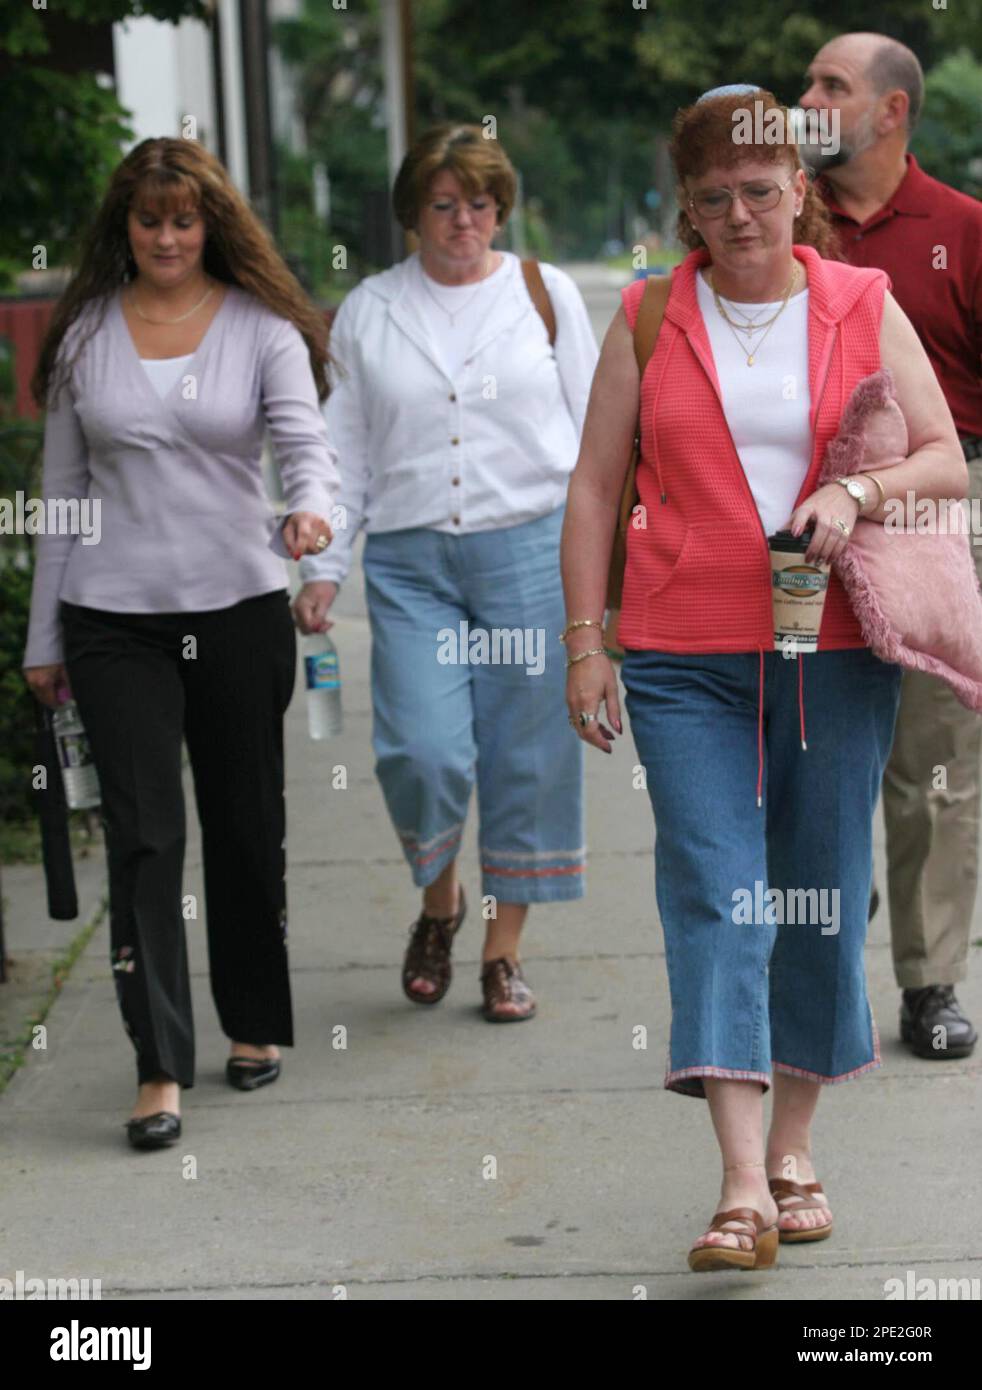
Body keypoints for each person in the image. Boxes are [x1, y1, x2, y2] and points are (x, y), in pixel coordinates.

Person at [560, 87, 967, 1270]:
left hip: (833, 651)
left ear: (800, 191)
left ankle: (795, 1146)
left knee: (819, 897)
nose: (737, 216)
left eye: (758, 191)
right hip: (685, 654)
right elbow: (594, 486)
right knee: (711, 890)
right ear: (684, 208)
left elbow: (945, 456)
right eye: (711, 199)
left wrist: (856, 492)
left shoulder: (859, 300)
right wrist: (587, 640)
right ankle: (740, 1184)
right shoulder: (647, 315)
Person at [23, 138, 340, 1149]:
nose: (167, 236)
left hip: (239, 609)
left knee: (245, 826)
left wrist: (313, 517)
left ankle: (252, 1021)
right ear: (126, 226)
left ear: (212, 226)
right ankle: (157, 1061)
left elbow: (305, 450)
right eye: (149, 219)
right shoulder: (83, 336)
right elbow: (61, 497)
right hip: (114, 620)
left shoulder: (261, 330)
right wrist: (46, 637)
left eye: (184, 219)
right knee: (146, 836)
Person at [293, 124, 598, 1021]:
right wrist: (321, 563)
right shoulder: (371, 310)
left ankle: (503, 955)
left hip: (530, 552)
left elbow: (594, 432)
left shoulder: (544, 296)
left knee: (528, 759)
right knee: (421, 752)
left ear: (500, 206)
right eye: (443, 203)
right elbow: (338, 448)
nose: (464, 219)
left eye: (479, 202)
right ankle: (441, 903)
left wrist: (611, 568)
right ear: (411, 214)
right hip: (410, 560)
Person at [800, 31, 981, 1061]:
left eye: (831, 85)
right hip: (804, 518)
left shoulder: (963, 228)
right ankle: (826, 960)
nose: (807, 98)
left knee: (934, 761)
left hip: (933, 512)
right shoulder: (782, 223)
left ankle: (929, 980)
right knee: (812, 750)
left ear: (890, 110)